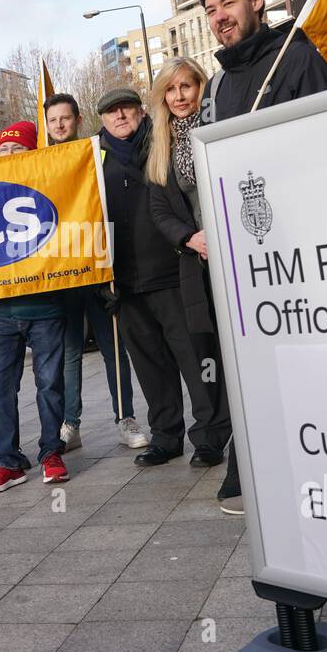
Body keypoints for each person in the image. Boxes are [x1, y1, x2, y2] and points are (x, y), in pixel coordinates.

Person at [198, 0, 327, 514]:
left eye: (227, 5)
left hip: (299, 239)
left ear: (256, 1)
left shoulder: (295, 56)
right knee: (249, 357)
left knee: (303, 354)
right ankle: (250, 466)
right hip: (243, 248)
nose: (219, 19)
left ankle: (321, 455)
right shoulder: (219, 84)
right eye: (210, 11)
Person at [96, 87, 232, 474]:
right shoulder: (93, 162)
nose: (119, 116)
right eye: (110, 111)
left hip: (174, 273)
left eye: (125, 108)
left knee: (196, 362)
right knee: (151, 369)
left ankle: (209, 437)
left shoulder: (163, 142)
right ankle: (166, 437)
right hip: (125, 285)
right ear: (102, 119)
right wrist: (98, 282)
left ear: (140, 110)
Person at [42, 91, 149, 453]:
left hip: (99, 266)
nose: (59, 125)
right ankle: (71, 423)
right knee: (70, 351)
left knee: (113, 347)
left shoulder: (94, 155)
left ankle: (126, 417)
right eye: (53, 119)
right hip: (64, 273)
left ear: (77, 121)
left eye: (65, 118)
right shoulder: (39, 165)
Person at [0, 122, 69, 493]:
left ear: (33, 153)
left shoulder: (50, 187)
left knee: (49, 384)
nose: (9, 157)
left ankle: (51, 452)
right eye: (3, 151)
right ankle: (7, 461)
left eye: (18, 150)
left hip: (44, 308)